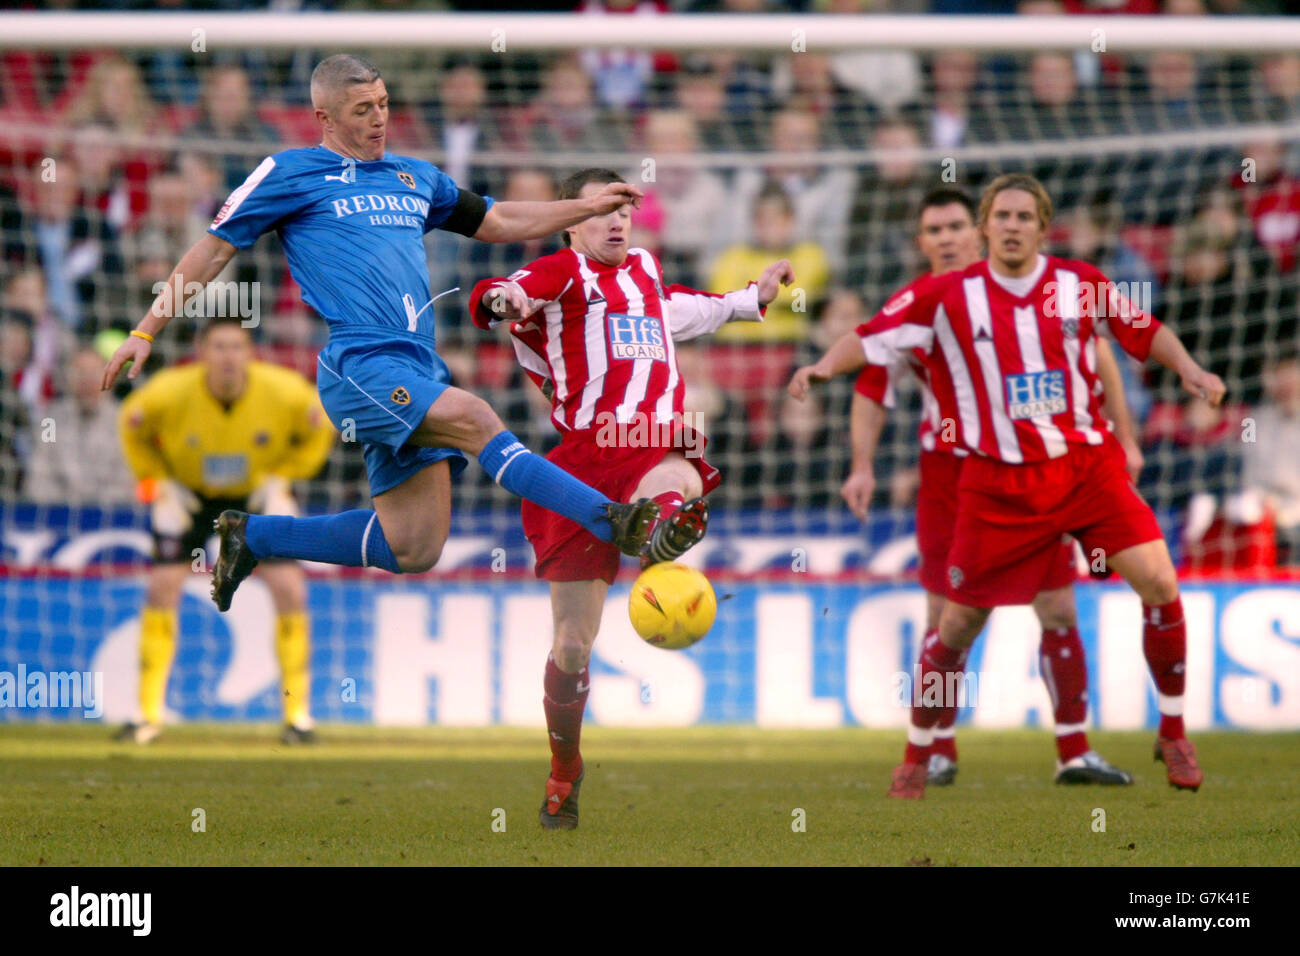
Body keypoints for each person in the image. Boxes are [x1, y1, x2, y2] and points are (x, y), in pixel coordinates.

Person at [101, 54, 662, 612]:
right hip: (361, 363)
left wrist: (582, 208)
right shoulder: (289, 172)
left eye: (385, 105)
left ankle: (255, 536)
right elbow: (215, 247)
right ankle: (611, 518)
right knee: (477, 419)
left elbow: (496, 222)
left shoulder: (414, 176)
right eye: (363, 109)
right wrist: (145, 332)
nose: (379, 118)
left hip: (419, 364)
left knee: (414, 546)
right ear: (324, 116)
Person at [789, 173, 1225, 798]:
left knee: (1158, 581)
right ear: (986, 227)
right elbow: (869, 345)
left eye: (1026, 216)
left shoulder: (1077, 285)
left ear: (1043, 227)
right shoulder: (943, 297)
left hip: (1083, 469)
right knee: (955, 625)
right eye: (1004, 216)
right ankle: (920, 754)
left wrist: (1187, 369)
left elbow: (1138, 332)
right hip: (995, 485)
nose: (1013, 226)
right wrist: (820, 367)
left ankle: (1172, 732)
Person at [469, 167, 794, 830]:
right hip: (582, 464)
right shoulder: (560, 271)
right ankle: (565, 770)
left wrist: (750, 298)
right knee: (571, 647)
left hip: (646, 442)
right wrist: (500, 300)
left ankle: (658, 532)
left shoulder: (644, 271)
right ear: (572, 220)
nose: (618, 221)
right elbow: (508, 292)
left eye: (626, 209)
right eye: (603, 211)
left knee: (675, 469)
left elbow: (680, 308)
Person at [115, 318, 336, 744]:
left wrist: (284, 477)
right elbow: (132, 423)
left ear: (251, 351)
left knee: (290, 589)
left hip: (255, 497)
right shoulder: (169, 392)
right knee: (162, 586)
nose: (229, 356)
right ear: (202, 352)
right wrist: (156, 482)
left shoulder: (285, 391)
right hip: (191, 496)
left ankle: (298, 718)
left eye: (237, 346)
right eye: (219, 347)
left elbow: (319, 426)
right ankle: (147, 715)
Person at [24, 348, 134, 506]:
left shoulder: (125, 422)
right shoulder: (50, 421)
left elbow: (127, 483)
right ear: (67, 379)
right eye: (80, 373)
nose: (87, 381)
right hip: (57, 514)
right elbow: (39, 477)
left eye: (95, 374)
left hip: (110, 517)